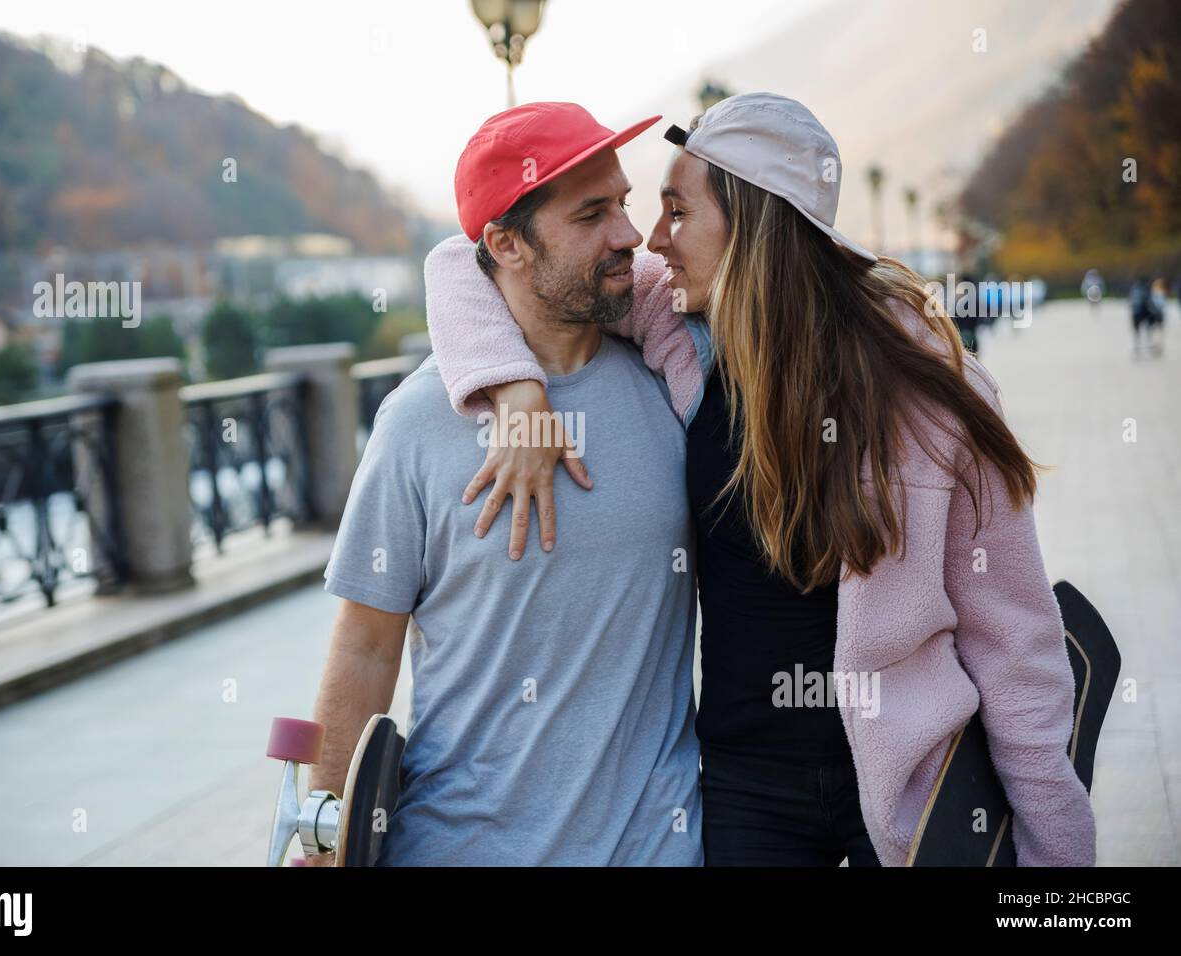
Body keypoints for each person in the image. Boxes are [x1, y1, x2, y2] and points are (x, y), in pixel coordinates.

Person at [423, 92, 1095, 867]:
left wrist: (1058, 866)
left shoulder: (932, 389)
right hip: (747, 788)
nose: (652, 239)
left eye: (677, 212)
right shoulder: (680, 330)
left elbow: (1016, 640)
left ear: (756, 226)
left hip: (913, 779)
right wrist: (516, 389)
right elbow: (467, 257)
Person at [307, 102, 703, 866]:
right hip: (459, 846)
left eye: (623, 203)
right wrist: (322, 840)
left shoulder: (673, 384)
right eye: (592, 214)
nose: (628, 233)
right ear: (505, 244)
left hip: (658, 846)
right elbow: (363, 648)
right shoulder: (419, 422)